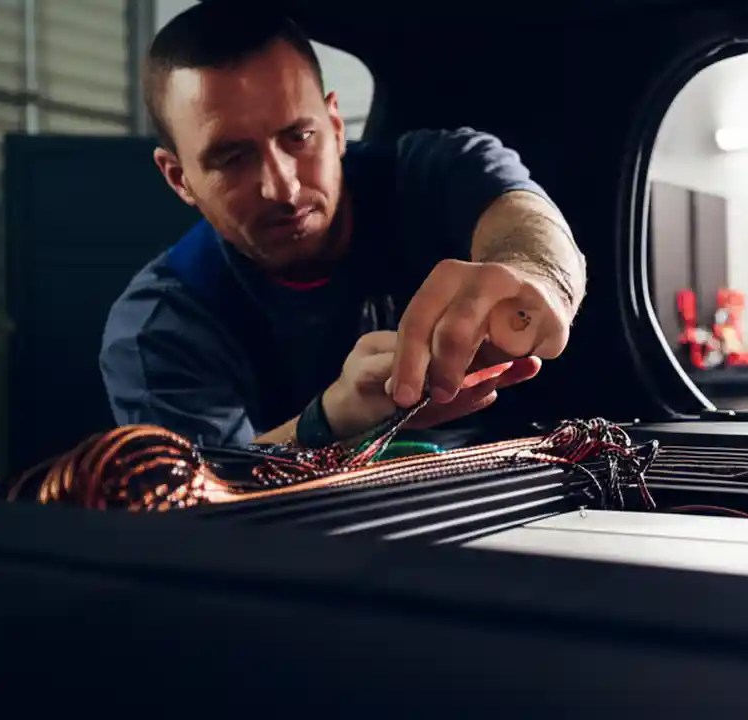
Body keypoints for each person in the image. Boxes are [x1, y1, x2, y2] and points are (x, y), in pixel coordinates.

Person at [99, 3, 586, 448]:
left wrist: (539, 276)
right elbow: (200, 503)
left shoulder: (433, 171)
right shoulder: (158, 328)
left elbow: (527, 223)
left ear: (334, 126)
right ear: (180, 178)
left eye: (299, 136)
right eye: (232, 158)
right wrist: (326, 422)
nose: (282, 188)